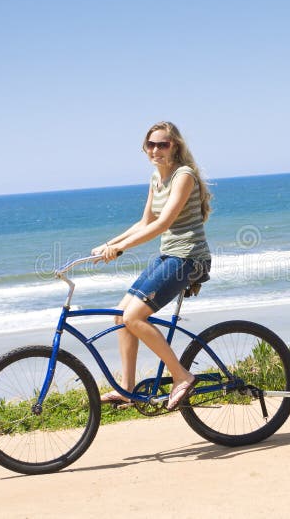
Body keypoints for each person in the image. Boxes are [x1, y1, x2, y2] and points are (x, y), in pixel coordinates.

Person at [91, 121, 212, 410]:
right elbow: (145, 221)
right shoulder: (156, 178)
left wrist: (121, 248)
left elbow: (163, 223)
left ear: (175, 147)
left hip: (189, 258)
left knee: (135, 318)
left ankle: (182, 376)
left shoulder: (184, 176)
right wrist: (110, 243)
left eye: (163, 144)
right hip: (169, 256)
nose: (155, 149)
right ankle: (128, 389)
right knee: (121, 316)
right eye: (151, 145)